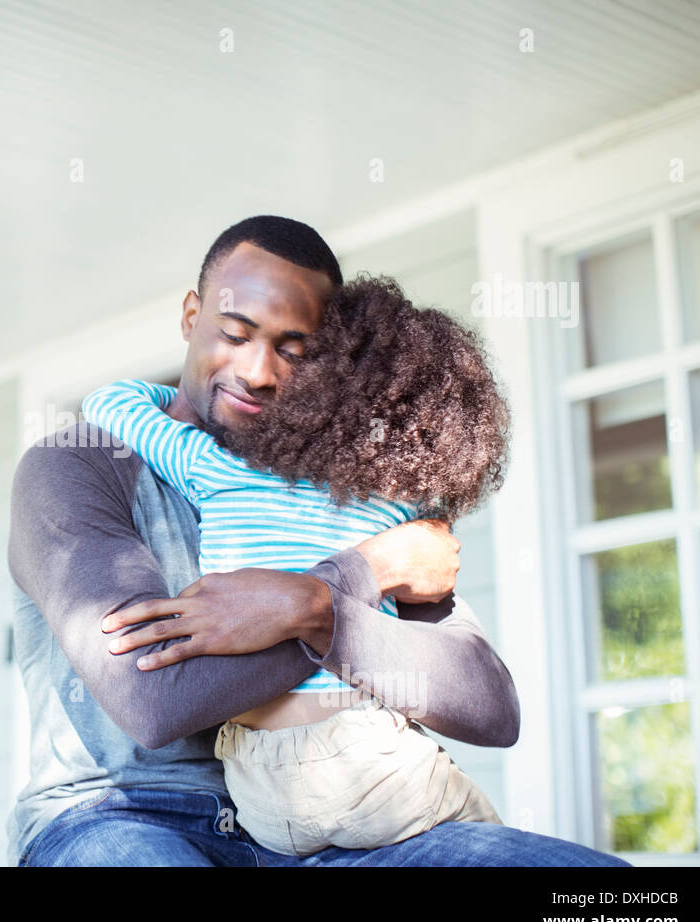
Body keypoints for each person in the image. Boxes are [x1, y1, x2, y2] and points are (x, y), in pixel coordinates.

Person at [6, 215, 629, 867]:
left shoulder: (337, 489)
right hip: (121, 818)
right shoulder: (78, 466)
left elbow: (488, 706)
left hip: (331, 834)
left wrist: (319, 612)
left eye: (293, 349)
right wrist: (364, 574)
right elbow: (154, 701)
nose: (257, 371)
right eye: (235, 333)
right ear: (192, 316)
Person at [78, 273, 509, 856]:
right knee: (488, 831)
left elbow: (108, 404)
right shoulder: (401, 511)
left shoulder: (216, 470)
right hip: (369, 762)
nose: (262, 373)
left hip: (257, 789)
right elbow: (493, 711)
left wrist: (171, 398)